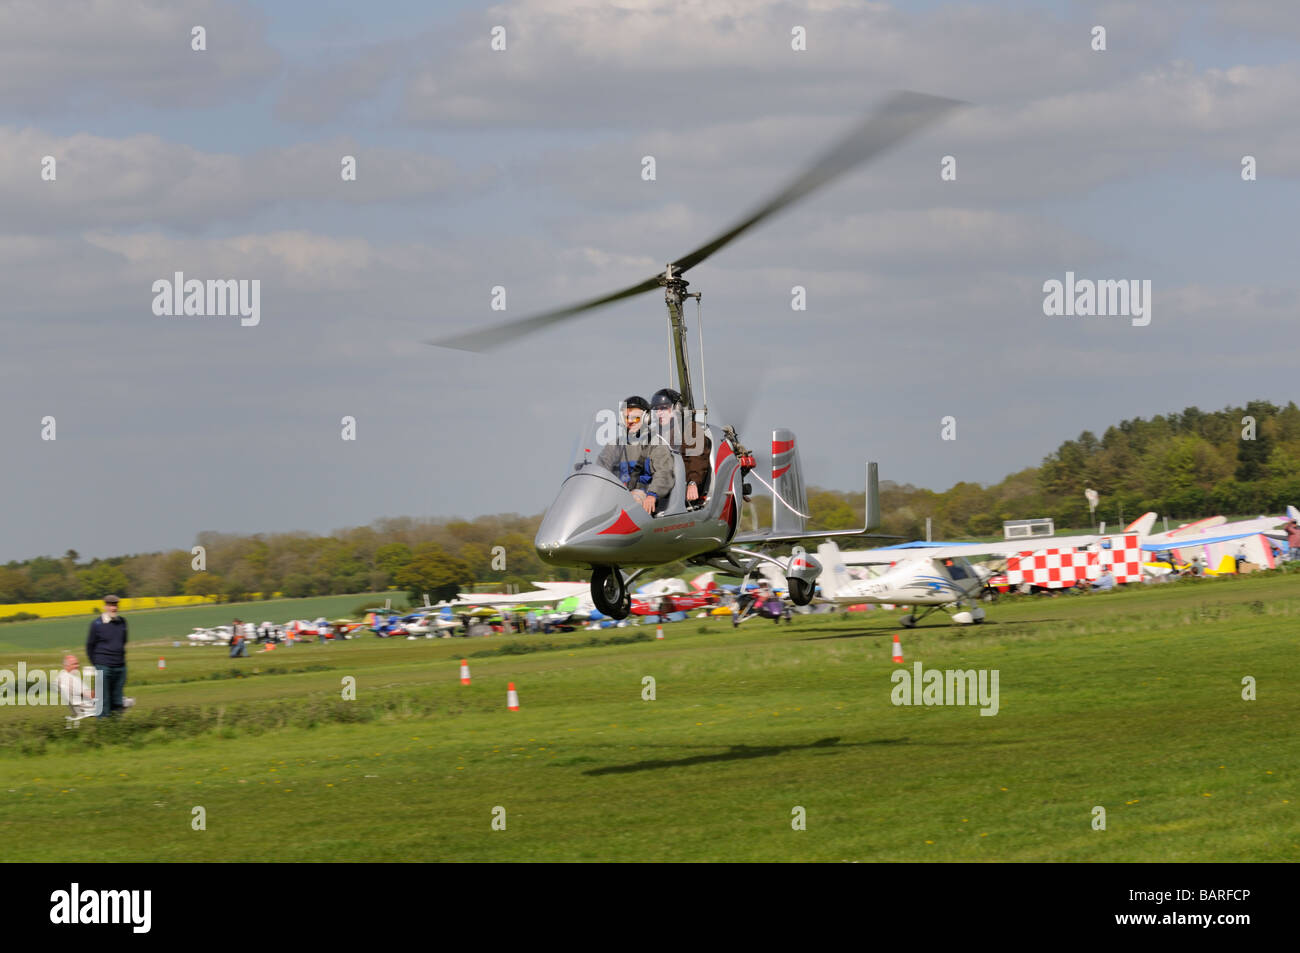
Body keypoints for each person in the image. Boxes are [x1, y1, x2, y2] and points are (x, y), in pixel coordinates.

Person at [598, 395, 673, 515]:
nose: (630, 422)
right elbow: (601, 469)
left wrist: (652, 495)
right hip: (619, 495)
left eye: (636, 418)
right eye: (627, 418)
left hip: (645, 495)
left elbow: (663, 473)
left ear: (646, 419)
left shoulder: (656, 444)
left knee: (634, 499)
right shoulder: (615, 445)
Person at [649, 388, 711, 508]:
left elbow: (697, 457)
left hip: (683, 489)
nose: (659, 413)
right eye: (656, 409)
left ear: (676, 408)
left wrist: (693, 482)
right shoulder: (654, 434)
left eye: (663, 408)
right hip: (660, 488)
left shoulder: (690, 429)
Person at [86, 595, 128, 718]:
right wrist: (98, 664)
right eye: (110, 605)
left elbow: (123, 641)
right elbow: (90, 646)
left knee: (118, 701)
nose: (113, 608)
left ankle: (116, 730)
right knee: (103, 701)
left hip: (120, 667)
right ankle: (103, 731)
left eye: (115, 605)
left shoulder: (122, 622)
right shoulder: (97, 624)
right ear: (105, 607)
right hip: (103, 666)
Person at [57, 654, 98, 719]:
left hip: (79, 710)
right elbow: (91, 695)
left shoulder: (61, 677)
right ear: (66, 666)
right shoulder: (71, 679)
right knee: (117, 700)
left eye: (77, 664)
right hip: (90, 709)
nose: (78, 666)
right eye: (74, 664)